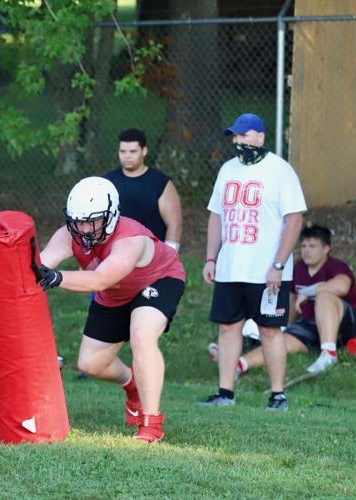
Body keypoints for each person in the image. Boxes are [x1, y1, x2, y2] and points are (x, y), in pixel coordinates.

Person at [35, 176, 186, 443]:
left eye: (91, 220)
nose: (83, 228)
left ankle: (151, 423)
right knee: (90, 363)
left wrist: (58, 278)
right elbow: (40, 265)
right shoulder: (69, 234)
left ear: (111, 216)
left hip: (157, 280)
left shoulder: (130, 238)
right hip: (115, 292)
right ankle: (133, 385)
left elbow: (102, 279)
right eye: (78, 220)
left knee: (142, 336)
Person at [200, 113, 306, 412]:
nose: (238, 141)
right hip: (232, 267)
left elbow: (294, 219)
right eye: (235, 136)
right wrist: (211, 257)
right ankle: (225, 392)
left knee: (269, 330)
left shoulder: (280, 171)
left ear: (260, 137)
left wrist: (279, 264)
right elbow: (216, 215)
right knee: (228, 328)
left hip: (267, 270)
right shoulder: (227, 170)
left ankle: (277, 395)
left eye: (244, 136)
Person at [231, 225, 356, 375]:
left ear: (326, 248)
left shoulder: (336, 266)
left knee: (324, 295)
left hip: (346, 323)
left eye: (312, 246)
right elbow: (292, 301)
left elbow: (342, 286)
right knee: (282, 341)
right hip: (312, 324)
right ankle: (239, 364)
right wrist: (282, 327)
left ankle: (329, 354)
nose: (306, 250)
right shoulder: (298, 269)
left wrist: (309, 292)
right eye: (303, 246)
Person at [104, 129, 182, 250]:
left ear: (144, 151)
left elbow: (174, 224)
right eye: (123, 151)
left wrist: (169, 256)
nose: (127, 156)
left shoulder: (161, 183)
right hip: (113, 255)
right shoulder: (107, 183)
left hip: (152, 256)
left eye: (133, 151)